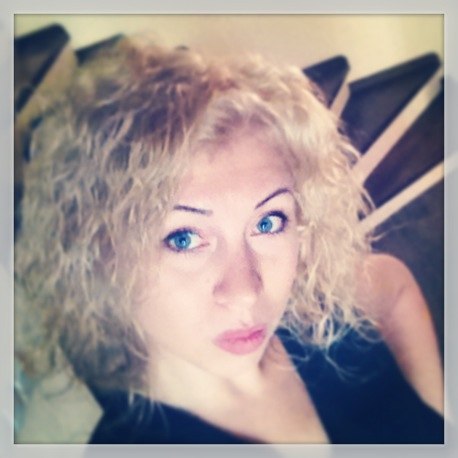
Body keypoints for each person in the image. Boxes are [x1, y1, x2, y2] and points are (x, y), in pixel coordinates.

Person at [14, 36, 444, 444]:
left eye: (269, 222)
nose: (246, 293)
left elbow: (392, 283)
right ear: (102, 255)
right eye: (183, 238)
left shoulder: (317, 318)